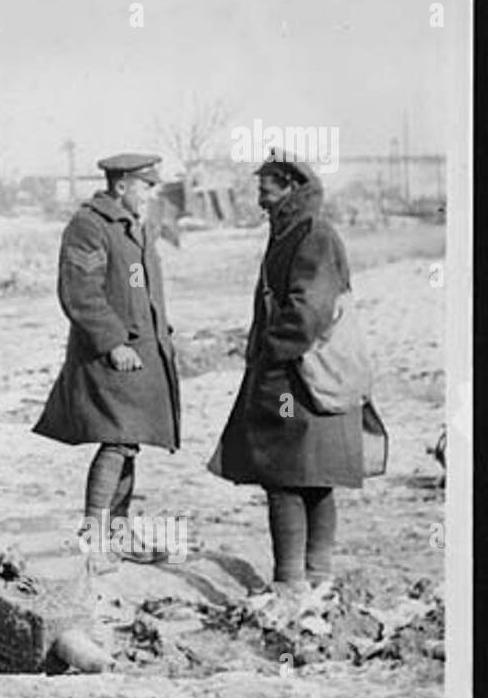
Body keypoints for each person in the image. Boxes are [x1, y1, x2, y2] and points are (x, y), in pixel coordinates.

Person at [208, 155, 363, 605]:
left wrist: (271, 351)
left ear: (292, 187)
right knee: (311, 474)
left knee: (286, 473)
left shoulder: (311, 234)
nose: (260, 195)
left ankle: (293, 581)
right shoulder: (294, 230)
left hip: (299, 378)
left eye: (268, 187)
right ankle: (315, 576)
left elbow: (309, 308)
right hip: (303, 374)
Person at [33, 153, 181, 570]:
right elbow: (80, 292)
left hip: (143, 352)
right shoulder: (89, 225)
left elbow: (141, 288)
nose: (152, 194)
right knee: (117, 440)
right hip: (110, 355)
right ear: (121, 186)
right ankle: (95, 537)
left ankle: (117, 533)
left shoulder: (136, 225)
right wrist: (114, 342)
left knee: (129, 442)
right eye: (145, 186)